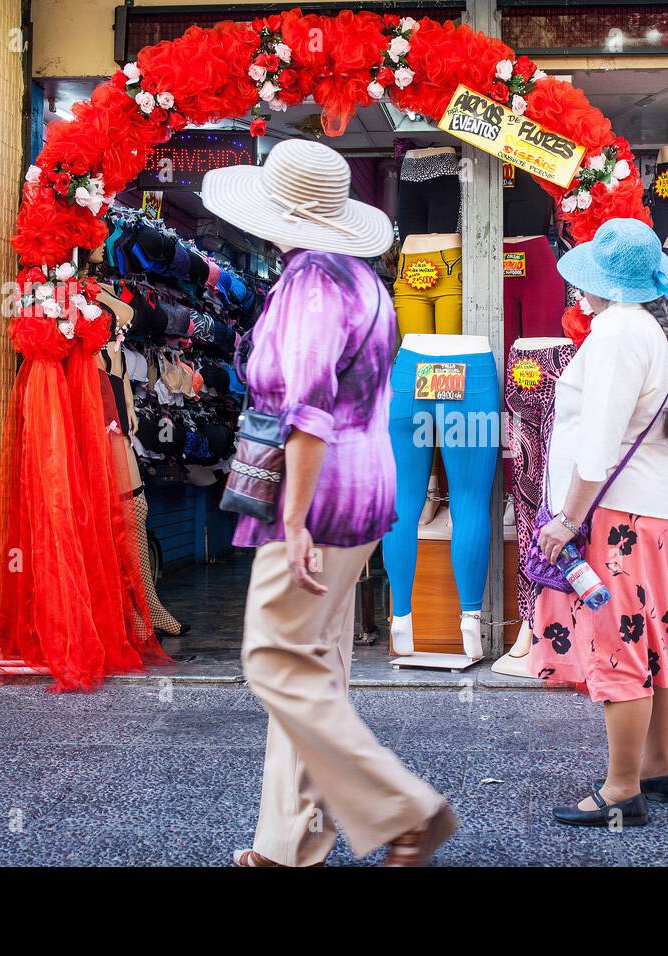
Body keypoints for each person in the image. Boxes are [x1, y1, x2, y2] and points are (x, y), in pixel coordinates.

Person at [202, 139, 456, 867]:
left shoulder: (310, 280)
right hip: (368, 482)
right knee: (314, 668)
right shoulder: (364, 279)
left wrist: (292, 515)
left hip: (319, 490)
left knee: (276, 661)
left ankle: (404, 811)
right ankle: (290, 842)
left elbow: (307, 408)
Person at [529, 218, 668, 828]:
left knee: (620, 645)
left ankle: (622, 788)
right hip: (658, 512)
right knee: (660, 646)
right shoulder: (664, 329)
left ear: (605, 283)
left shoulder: (617, 333)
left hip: (616, 516)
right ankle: (658, 768)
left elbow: (597, 441)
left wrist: (567, 518)